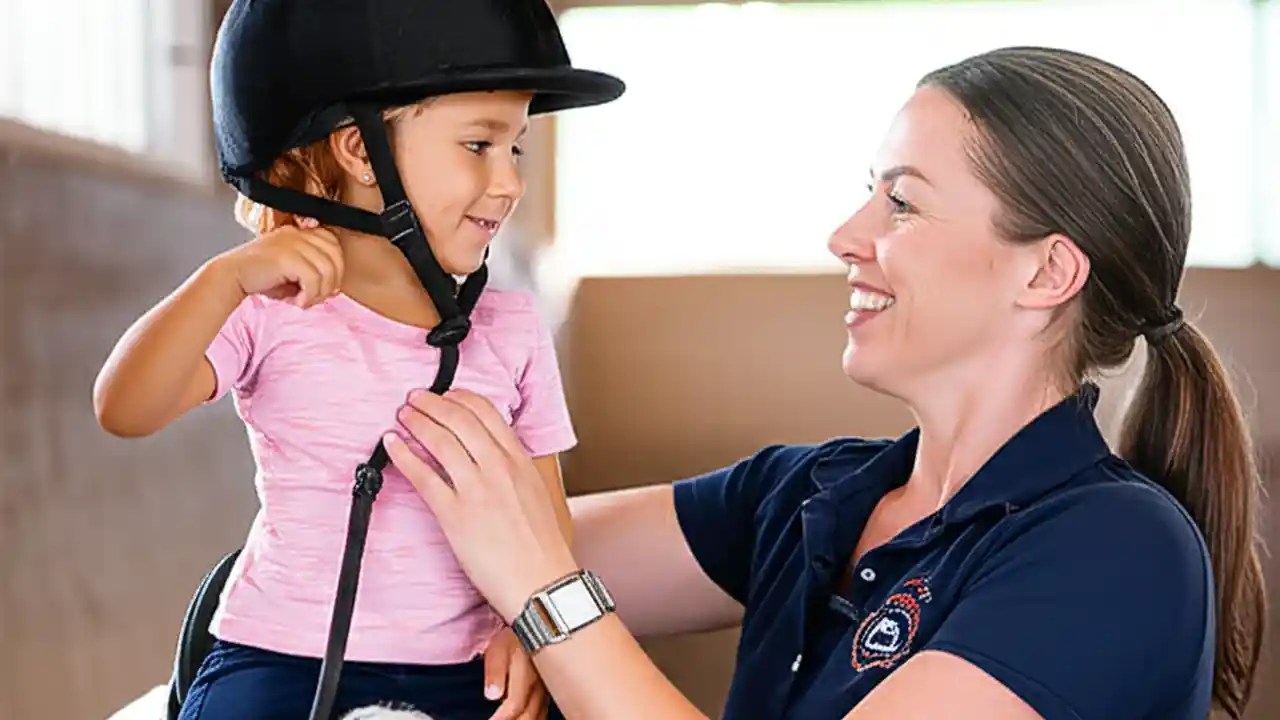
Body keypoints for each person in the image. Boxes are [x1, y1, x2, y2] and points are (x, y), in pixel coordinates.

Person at [383, 46, 1266, 720]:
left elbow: (531, 565)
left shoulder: (1117, 549)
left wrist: (549, 605)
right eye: (869, 194)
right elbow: (435, 554)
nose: (846, 235)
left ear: (1046, 273)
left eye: (903, 203)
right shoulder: (810, 494)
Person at [91, 1, 622, 718]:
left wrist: (532, 629)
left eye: (515, 149)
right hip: (281, 658)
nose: (509, 183)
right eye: (478, 145)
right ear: (360, 153)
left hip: (467, 666)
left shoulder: (512, 329)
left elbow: (543, 511)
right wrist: (223, 281)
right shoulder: (270, 308)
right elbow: (124, 408)